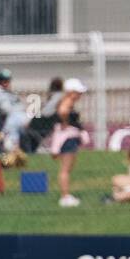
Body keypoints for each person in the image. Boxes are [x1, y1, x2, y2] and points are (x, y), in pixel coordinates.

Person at [51, 77, 87, 207]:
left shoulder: (66, 101)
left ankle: (66, 194)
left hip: (70, 138)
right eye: (78, 92)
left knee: (67, 168)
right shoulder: (67, 102)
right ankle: (65, 196)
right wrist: (66, 122)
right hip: (68, 139)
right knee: (65, 169)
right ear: (71, 91)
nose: (80, 95)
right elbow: (63, 111)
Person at [0, 69, 27, 152]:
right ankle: (13, 148)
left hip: (15, 120)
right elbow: (6, 110)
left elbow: (21, 106)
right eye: (4, 80)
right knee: (15, 118)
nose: (6, 82)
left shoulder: (10, 93)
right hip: (3, 121)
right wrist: (18, 109)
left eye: (8, 80)